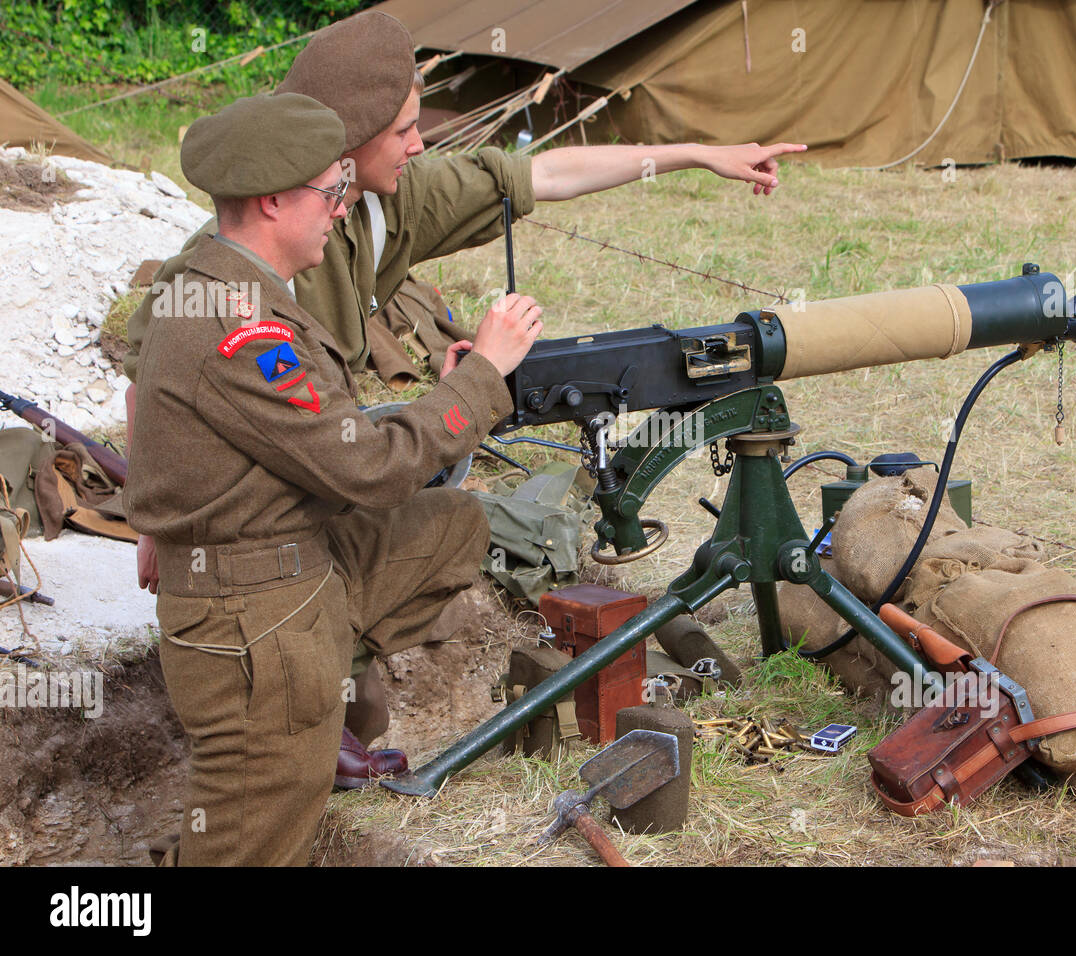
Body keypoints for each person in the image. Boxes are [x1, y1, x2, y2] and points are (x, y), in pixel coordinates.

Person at [124, 10, 806, 778]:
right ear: (344, 145)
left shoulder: (387, 200)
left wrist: (697, 156)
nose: (421, 145)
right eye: (404, 130)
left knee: (439, 526)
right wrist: (155, 520)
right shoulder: (236, 264)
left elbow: (539, 176)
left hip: (318, 457)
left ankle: (329, 676)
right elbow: (148, 373)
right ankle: (304, 708)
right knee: (309, 688)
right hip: (272, 509)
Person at [125, 92, 542, 865]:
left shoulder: (218, 283)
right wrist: (483, 375)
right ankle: (312, 685)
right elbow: (367, 468)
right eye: (330, 192)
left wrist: (447, 394)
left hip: (287, 573)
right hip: (253, 622)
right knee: (253, 842)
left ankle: (333, 664)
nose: (342, 209)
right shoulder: (245, 330)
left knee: (453, 525)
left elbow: (307, 436)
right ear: (272, 200)